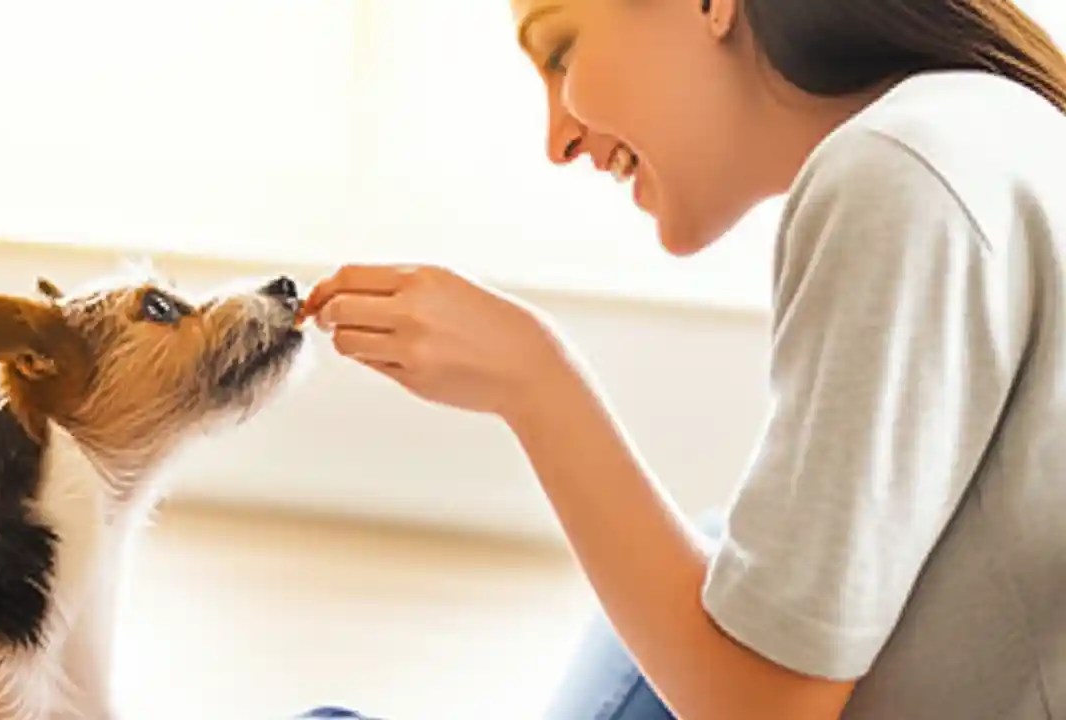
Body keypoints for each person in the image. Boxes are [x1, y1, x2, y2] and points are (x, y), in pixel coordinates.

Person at [303, 1, 1066, 718]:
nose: (556, 139)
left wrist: (535, 381)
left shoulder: (900, 171)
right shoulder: (994, 125)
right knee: (718, 546)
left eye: (563, 52)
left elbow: (766, 707)